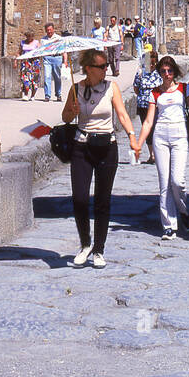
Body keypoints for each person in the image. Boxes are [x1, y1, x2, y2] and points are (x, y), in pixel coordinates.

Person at [61, 47, 136, 268]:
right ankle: (85, 244)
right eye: (102, 67)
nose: (106, 69)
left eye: (106, 66)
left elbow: (121, 113)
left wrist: (132, 136)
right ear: (88, 69)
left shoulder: (111, 88)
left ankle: (99, 250)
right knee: (80, 199)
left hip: (107, 147)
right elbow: (65, 117)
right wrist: (72, 111)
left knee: (103, 201)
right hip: (81, 148)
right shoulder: (75, 89)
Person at [133, 55, 189, 239]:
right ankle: (169, 226)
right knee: (164, 183)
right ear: (159, 72)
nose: (167, 74)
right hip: (160, 137)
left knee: (177, 181)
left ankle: (183, 211)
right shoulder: (155, 93)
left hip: (180, 135)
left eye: (170, 71)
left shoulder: (184, 88)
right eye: (163, 71)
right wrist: (138, 144)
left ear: (175, 72)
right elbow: (149, 121)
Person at [132, 45, 161, 162]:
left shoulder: (160, 73)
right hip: (144, 105)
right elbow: (136, 88)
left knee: (156, 129)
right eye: (150, 63)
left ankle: (159, 153)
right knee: (147, 129)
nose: (152, 65)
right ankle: (152, 154)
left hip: (156, 106)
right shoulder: (141, 73)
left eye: (154, 63)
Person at [40, 20, 66, 102]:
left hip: (57, 58)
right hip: (47, 58)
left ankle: (58, 94)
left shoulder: (59, 38)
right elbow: (40, 50)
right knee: (47, 76)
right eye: (47, 30)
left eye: (50, 30)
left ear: (53, 29)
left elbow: (64, 50)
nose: (49, 31)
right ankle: (47, 95)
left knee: (57, 77)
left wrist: (65, 61)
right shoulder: (43, 40)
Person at [19, 31, 40, 101]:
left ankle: (33, 95)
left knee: (34, 80)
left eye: (30, 36)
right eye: (28, 36)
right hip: (25, 63)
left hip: (34, 63)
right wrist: (17, 60)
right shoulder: (22, 43)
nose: (29, 38)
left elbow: (40, 51)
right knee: (25, 79)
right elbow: (19, 52)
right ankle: (26, 94)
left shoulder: (36, 43)